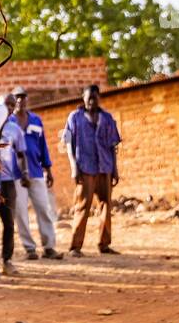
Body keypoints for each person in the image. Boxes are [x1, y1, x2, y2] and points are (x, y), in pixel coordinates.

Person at [65, 85, 121, 256]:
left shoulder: (107, 118)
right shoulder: (74, 117)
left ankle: (104, 244)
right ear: (83, 97)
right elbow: (69, 144)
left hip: (105, 167)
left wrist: (115, 170)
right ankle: (75, 247)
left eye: (94, 98)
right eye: (88, 97)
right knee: (83, 206)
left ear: (99, 98)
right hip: (85, 168)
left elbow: (113, 146)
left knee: (106, 206)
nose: (91, 101)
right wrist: (74, 167)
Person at [10, 87, 62, 260]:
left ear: (27, 100)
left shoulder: (36, 120)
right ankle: (30, 249)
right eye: (17, 97)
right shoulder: (8, 121)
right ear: (13, 100)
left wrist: (49, 169)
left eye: (23, 97)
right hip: (16, 174)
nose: (20, 100)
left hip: (36, 171)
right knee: (21, 212)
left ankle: (49, 247)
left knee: (44, 209)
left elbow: (43, 147)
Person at [0, 94, 27, 276]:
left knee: (8, 222)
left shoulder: (15, 129)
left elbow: (21, 155)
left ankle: (7, 260)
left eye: (12, 105)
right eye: (6, 104)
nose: (9, 107)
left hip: (8, 183)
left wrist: (24, 174)